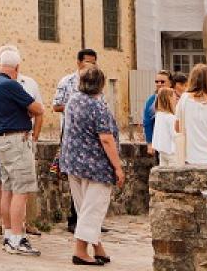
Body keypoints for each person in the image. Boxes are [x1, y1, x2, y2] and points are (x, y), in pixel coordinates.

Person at [60, 65, 124, 267]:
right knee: (93, 209)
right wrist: (118, 167)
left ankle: (97, 247)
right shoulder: (98, 106)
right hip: (96, 165)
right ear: (101, 84)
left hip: (72, 161)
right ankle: (80, 251)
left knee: (83, 207)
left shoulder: (73, 101)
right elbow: (106, 139)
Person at [0, 46, 44, 257]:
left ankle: (8, 234)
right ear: (17, 67)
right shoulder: (11, 85)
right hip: (15, 141)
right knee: (22, 190)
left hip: (1, 142)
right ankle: (17, 239)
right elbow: (37, 108)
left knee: (8, 189)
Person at [54, 49, 98, 232]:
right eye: (88, 62)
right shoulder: (67, 82)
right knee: (75, 176)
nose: (91, 66)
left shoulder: (97, 82)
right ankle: (74, 219)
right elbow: (56, 105)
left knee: (92, 178)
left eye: (94, 63)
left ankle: (90, 220)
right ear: (79, 63)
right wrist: (77, 107)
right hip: (72, 133)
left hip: (92, 134)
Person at [150, 88, 181, 167]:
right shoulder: (170, 117)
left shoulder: (159, 115)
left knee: (163, 176)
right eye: (175, 97)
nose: (176, 100)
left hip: (162, 151)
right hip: (171, 152)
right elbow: (175, 136)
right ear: (169, 99)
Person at [143, 69, 169, 150]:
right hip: (160, 143)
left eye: (162, 82)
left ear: (170, 83)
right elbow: (147, 122)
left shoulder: (177, 98)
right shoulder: (151, 101)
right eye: (157, 82)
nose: (159, 84)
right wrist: (150, 143)